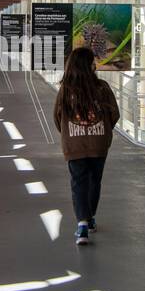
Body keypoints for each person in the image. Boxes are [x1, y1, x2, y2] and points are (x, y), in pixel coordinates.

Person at [52, 47, 119, 246]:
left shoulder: (66, 89)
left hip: (74, 143)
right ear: (89, 65)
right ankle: (90, 219)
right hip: (99, 143)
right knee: (94, 180)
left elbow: (57, 116)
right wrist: (104, 129)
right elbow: (114, 113)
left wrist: (68, 133)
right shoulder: (102, 87)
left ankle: (82, 223)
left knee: (78, 183)